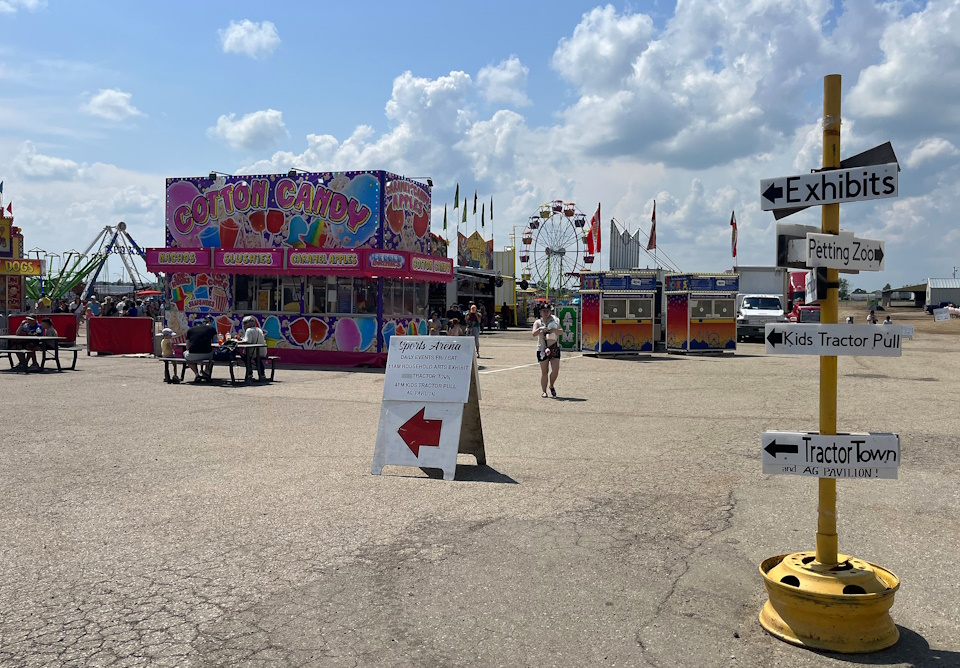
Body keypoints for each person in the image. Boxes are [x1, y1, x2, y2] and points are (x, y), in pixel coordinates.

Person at [532, 302, 562, 398]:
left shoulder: (555, 320)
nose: (546, 313)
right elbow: (533, 333)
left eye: (547, 311)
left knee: (555, 370)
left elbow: (561, 331)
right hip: (542, 348)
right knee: (544, 371)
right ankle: (544, 391)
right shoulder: (538, 322)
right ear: (540, 312)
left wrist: (553, 330)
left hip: (554, 347)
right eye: (544, 311)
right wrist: (541, 329)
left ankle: (551, 385)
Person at [183, 315, 217, 382]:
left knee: (187, 357)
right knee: (210, 356)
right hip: (207, 354)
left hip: (193, 354)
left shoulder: (190, 330)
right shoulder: (210, 328)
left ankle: (196, 374)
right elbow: (216, 339)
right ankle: (206, 371)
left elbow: (187, 347)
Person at [241, 316, 267, 382]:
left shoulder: (249, 330)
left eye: (245, 323)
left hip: (253, 352)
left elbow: (247, 341)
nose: (244, 325)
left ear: (248, 324)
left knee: (244, 356)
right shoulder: (259, 329)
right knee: (257, 359)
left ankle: (249, 373)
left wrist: (239, 341)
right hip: (262, 351)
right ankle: (262, 374)